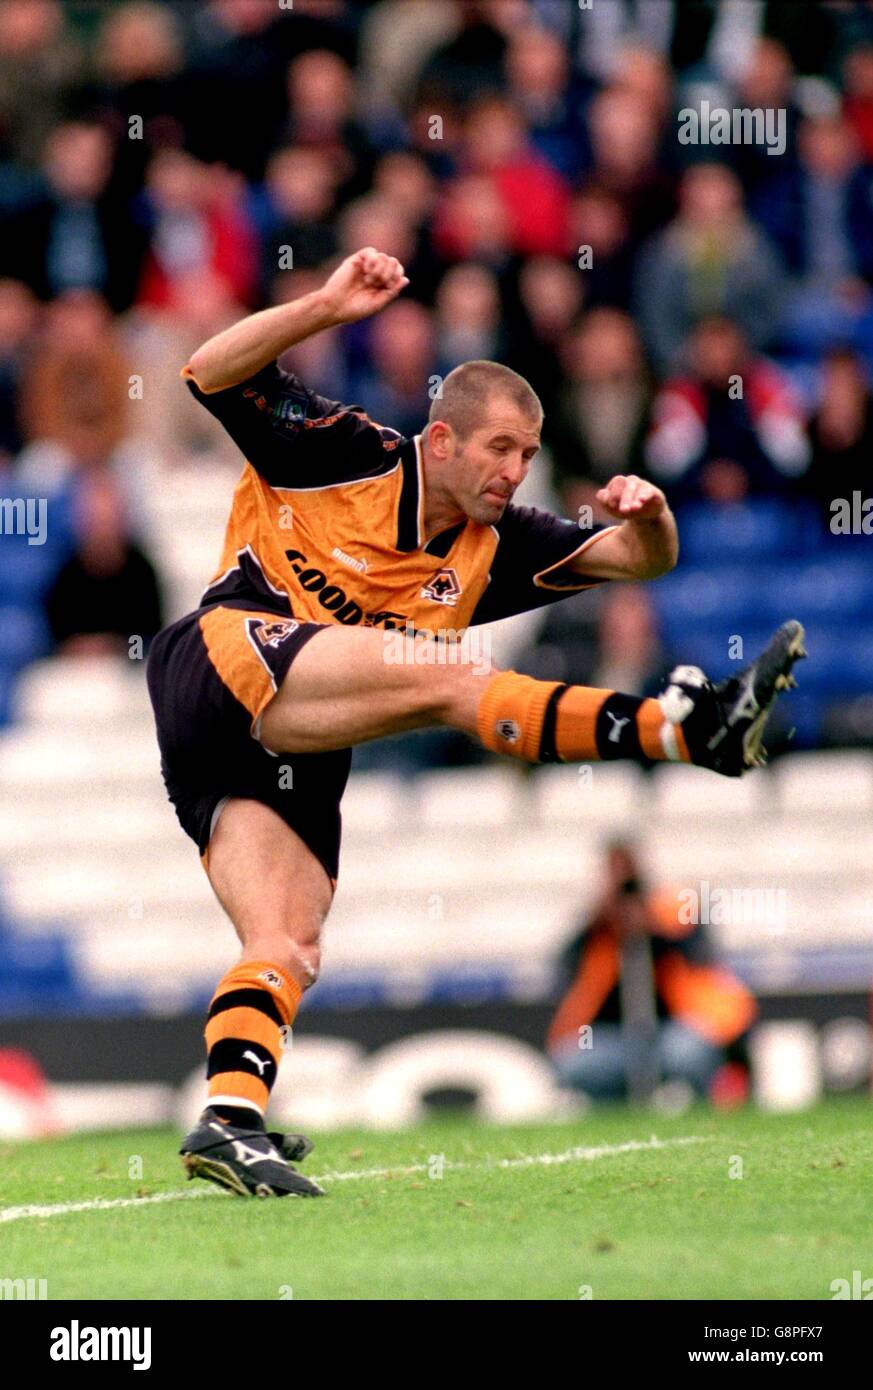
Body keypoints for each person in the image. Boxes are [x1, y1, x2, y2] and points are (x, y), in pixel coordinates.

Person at [146, 247, 805, 1198]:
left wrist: (651, 514)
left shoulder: (500, 546)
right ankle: (681, 731)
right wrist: (327, 307)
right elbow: (208, 370)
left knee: (287, 946)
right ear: (441, 440)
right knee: (448, 668)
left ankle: (227, 1122)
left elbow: (640, 560)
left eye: (529, 455)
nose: (515, 471)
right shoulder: (344, 449)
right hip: (220, 662)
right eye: (499, 449)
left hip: (292, 740)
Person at [547, 841, 757, 1104]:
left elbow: (701, 958)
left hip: (671, 1029)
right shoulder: (598, 926)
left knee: (689, 1051)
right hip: (610, 1035)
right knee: (576, 1059)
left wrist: (652, 929)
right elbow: (564, 968)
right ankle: (612, 1114)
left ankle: (704, 1106)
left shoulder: (673, 911)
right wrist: (599, 923)